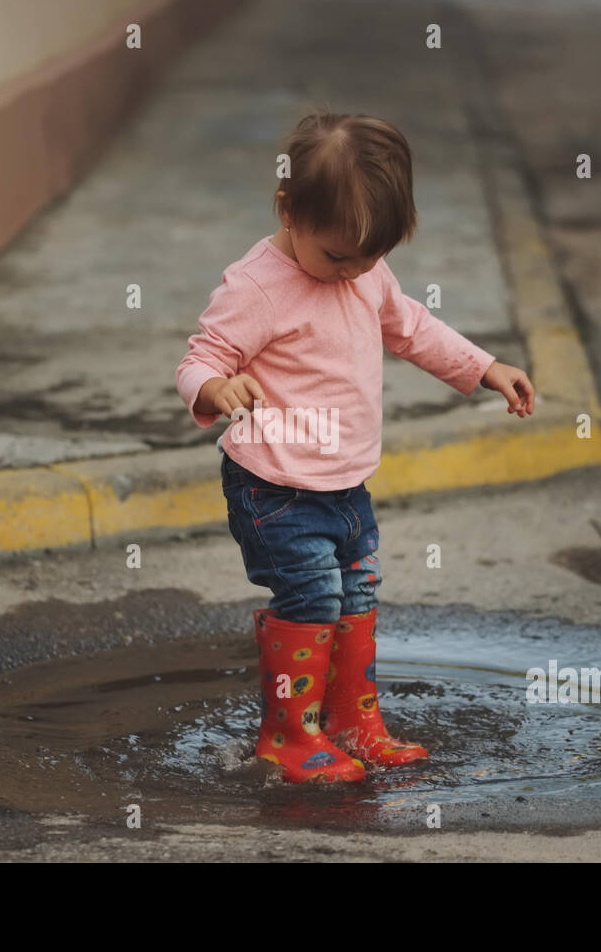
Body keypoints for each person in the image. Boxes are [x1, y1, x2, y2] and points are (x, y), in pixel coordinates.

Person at [175, 110, 536, 783]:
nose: (353, 273)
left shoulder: (366, 272)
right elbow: (199, 358)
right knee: (311, 596)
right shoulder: (255, 285)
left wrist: (485, 367)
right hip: (275, 488)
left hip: (345, 485)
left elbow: (413, 328)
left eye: (371, 257)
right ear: (288, 210)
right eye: (338, 256)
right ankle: (289, 733)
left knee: (358, 589)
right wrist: (214, 388)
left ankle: (351, 720)